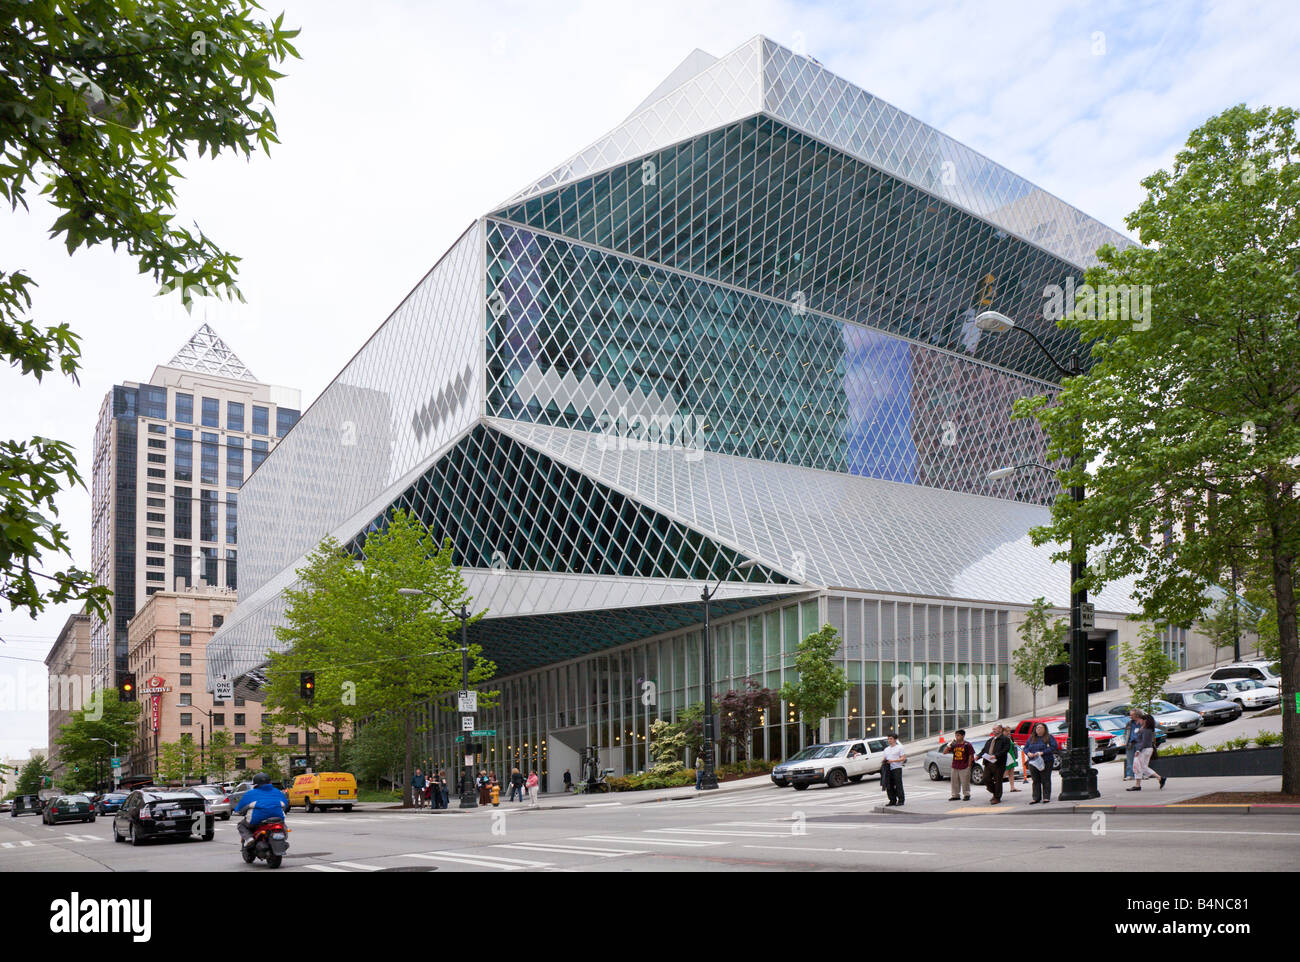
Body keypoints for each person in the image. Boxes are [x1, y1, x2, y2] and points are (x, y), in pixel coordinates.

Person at [233, 772, 289, 847]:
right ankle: (283, 838)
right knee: (282, 824)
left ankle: (249, 839)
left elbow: (239, 808)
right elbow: (285, 805)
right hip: (278, 818)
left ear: (256, 784)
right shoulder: (278, 792)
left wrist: (238, 810)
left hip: (256, 820)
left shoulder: (250, 793)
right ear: (270, 782)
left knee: (241, 825)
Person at [1128, 714, 1167, 791]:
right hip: (1147, 749)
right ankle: (1160, 778)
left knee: (1138, 766)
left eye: (1141, 720)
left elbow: (1144, 742)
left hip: (1144, 750)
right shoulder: (1146, 729)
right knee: (1143, 767)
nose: (1139, 721)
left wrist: (1138, 750)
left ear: (1145, 721)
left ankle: (1137, 785)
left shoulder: (1146, 730)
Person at [1022, 722, 1059, 804]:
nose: (1039, 729)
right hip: (1033, 761)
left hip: (1046, 760)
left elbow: (1054, 747)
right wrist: (1028, 753)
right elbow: (1026, 748)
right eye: (1037, 728)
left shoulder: (1049, 737)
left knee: (1045, 779)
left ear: (1045, 729)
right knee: (1035, 780)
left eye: (1041, 728)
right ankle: (1036, 797)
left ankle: (1046, 797)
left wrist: (1042, 752)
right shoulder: (1032, 738)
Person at [981, 724, 1012, 805]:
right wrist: (978, 755)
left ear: (1000, 730)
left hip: (998, 763)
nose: (993, 730)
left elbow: (1005, 749)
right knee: (985, 778)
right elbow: (984, 750)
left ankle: (997, 797)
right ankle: (995, 792)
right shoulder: (990, 740)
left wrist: (996, 755)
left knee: (998, 780)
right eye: (993, 729)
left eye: (995, 729)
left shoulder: (1005, 739)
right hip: (988, 762)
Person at [940, 729, 975, 801]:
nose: (956, 737)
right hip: (955, 765)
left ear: (963, 736)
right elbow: (944, 752)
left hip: (964, 766)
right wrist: (949, 745)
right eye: (956, 735)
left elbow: (971, 755)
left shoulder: (967, 745)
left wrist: (969, 766)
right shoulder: (954, 745)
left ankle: (966, 794)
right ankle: (955, 795)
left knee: (965, 782)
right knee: (954, 782)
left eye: (958, 735)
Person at [882, 732, 907, 806]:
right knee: (889, 785)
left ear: (895, 739)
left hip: (896, 768)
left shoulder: (900, 747)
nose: (889, 740)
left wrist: (893, 761)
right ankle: (892, 800)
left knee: (898, 784)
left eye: (891, 739)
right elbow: (884, 758)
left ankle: (901, 800)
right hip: (888, 769)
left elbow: (903, 758)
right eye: (888, 739)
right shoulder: (886, 749)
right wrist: (884, 761)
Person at [1123, 709, 1142, 780]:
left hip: (1139, 743)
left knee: (1140, 760)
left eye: (1132, 715)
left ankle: (1141, 774)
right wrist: (1124, 740)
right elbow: (1125, 733)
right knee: (1130, 760)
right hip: (1130, 743)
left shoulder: (1142, 723)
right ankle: (1130, 775)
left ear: (1137, 715)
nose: (1130, 716)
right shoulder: (1129, 723)